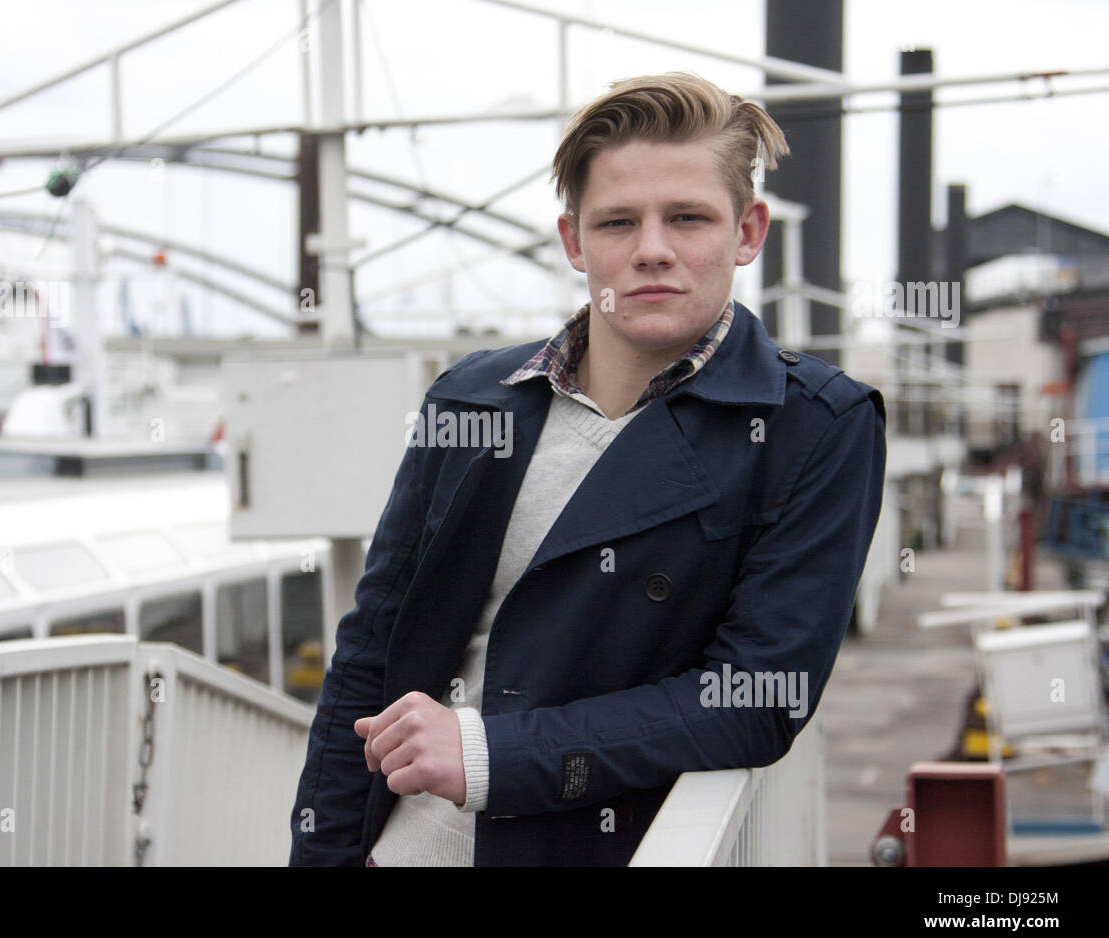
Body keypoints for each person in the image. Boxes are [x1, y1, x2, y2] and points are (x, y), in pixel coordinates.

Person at [289, 71, 887, 866]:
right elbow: (370, 652)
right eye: (616, 222)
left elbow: (755, 699)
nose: (651, 250)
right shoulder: (474, 396)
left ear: (748, 232)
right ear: (574, 241)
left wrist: (487, 752)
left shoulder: (816, 425)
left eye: (688, 218)